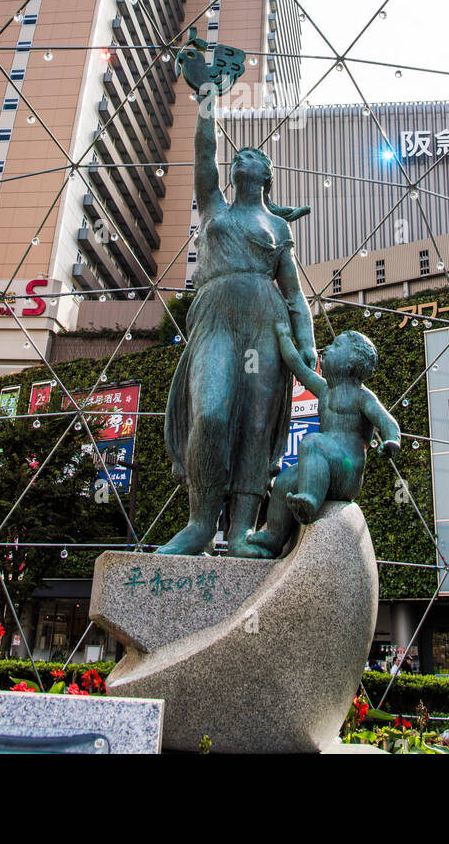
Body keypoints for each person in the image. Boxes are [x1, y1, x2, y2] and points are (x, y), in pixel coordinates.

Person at [158, 85, 316, 557]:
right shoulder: (214, 207)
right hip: (215, 315)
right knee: (211, 412)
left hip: (266, 322)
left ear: (267, 175)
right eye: (239, 154)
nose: (243, 156)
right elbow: (203, 151)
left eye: (255, 155)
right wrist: (207, 96)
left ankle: (242, 530)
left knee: (255, 424)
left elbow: (294, 293)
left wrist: (306, 344)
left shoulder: (278, 227)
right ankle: (201, 523)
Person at [248, 326, 401, 557]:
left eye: (336, 346)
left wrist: (391, 441)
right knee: (284, 481)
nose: (327, 349)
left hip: (346, 472)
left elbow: (387, 421)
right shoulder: (324, 390)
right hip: (321, 467)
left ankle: (310, 501)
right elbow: (299, 368)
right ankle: (273, 538)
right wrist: (283, 337)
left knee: (313, 442)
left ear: (352, 363)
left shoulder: (362, 396)